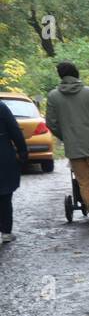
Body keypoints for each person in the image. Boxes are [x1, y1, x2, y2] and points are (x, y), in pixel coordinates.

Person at [46, 61, 89, 225]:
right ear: (76, 73)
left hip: (73, 147)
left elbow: (50, 123)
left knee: (84, 182)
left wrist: (65, 136)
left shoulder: (53, 96)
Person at [0, 96, 26, 243]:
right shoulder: (1, 107)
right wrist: (22, 151)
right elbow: (14, 130)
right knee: (4, 195)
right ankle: (6, 231)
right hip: (3, 155)